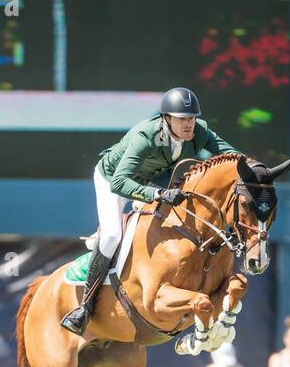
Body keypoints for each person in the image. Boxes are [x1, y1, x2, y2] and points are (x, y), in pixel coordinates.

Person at [60, 87, 245, 335]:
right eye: (182, 119)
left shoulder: (199, 131)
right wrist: (156, 195)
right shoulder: (146, 136)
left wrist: (256, 172)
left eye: (191, 118)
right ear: (166, 119)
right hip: (115, 180)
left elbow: (234, 158)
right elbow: (119, 182)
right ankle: (85, 307)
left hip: (152, 180)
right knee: (113, 234)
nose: (189, 124)